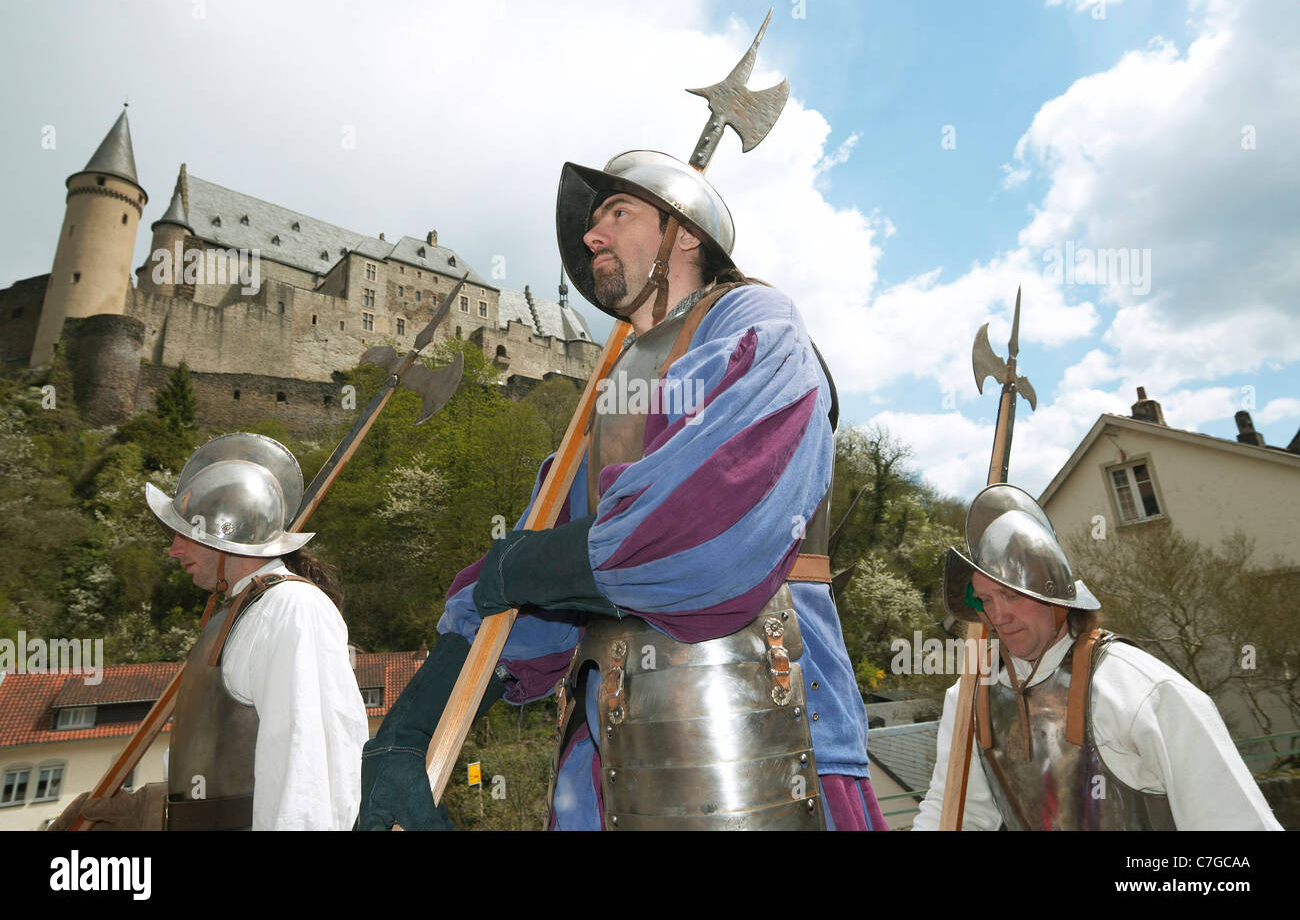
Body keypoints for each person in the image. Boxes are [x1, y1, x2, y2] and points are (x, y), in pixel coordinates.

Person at [359, 150, 886, 830]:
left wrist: (530, 567)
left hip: (762, 734)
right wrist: (410, 727)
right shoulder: (606, 401)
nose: (590, 235)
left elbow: (708, 532)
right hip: (610, 757)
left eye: (616, 211)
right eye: (594, 220)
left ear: (685, 233)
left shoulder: (757, 321)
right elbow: (515, 588)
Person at [913, 483, 1281, 831]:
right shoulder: (969, 698)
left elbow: (1236, 822)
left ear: (1054, 596)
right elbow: (952, 812)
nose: (999, 615)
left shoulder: (1143, 690)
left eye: (1011, 595)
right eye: (986, 600)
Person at [52, 433, 368, 830]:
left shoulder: (292, 609)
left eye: (185, 535)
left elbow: (308, 772)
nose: (173, 550)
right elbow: (217, 779)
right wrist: (153, 809)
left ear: (226, 536)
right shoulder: (233, 616)